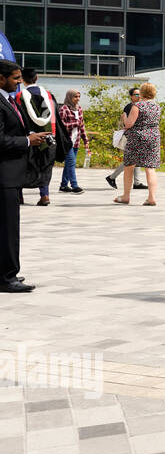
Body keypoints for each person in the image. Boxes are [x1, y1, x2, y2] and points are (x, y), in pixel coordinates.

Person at [2, 60, 53, 291]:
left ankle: (7, 271)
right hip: (4, 176)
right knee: (7, 229)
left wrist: (31, 135)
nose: (19, 82)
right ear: (1, 78)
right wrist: (26, 141)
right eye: (15, 78)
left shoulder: (10, 100)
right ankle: (6, 278)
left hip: (12, 175)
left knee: (8, 228)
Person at [17, 68, 60, 206]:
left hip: (29, 137)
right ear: (37, 78)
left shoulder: (19, 96)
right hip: (48, 136)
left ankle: (19, 196)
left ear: (22, 80)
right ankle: (45, 196)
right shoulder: (48, 95)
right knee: (45, 166)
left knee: (23, 166)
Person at [117, 82, 161, 206]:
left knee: (129, 166)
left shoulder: (137, 106)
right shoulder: (156, 106)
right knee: (150, 168)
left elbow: (129, 124)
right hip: (154, 136)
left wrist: (125, 116)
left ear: (142, 92)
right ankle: (151, 197)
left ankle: (126, 196)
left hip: (137, 137)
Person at [107, 88, 146, 192]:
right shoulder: (130, 107)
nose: (139, 96)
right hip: (131, 136)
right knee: (130, 159)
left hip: (137, 136)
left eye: (140, 94)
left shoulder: (139, 106)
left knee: (135, 159)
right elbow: (128, 123)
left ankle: (137, 182)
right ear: (131, 96)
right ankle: (112, 177)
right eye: (136, 95)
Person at [56, 90, 89, 194]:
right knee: (71, 162)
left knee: (69, 164)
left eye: (79, 96)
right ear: (69, 97)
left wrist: (85, 140)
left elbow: (82, 126)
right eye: (75, 97)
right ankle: (74, 186)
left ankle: (63, 185)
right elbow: (60, 126)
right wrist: (75, 123)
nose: (78, 99)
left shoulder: (79, 109)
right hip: (66, 141)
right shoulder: (64, 109)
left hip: (76, 141)